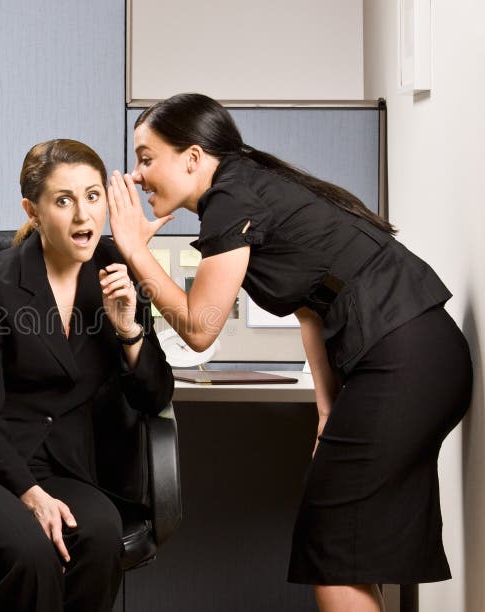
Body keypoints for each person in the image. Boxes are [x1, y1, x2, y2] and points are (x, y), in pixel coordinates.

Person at [106, 93, 472, 612]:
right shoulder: (248, 185)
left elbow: (201, 328)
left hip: (403, 357)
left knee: (333, 552)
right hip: (419, 354)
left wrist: (136, 251)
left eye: (146, 158)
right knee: (349, 550)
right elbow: (311, 308)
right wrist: (327, 410)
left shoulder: (230, 198)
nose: (137, 176)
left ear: (192, 158)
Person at [0, 138, 174, 612]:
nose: (83, 216)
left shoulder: (117, 271)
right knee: (29, 550)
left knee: (98, 534)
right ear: (33, 210)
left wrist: (129, 328)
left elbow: (154, 396)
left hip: (61, 466)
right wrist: (29, 494)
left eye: (93, 197)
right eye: (63, 200)